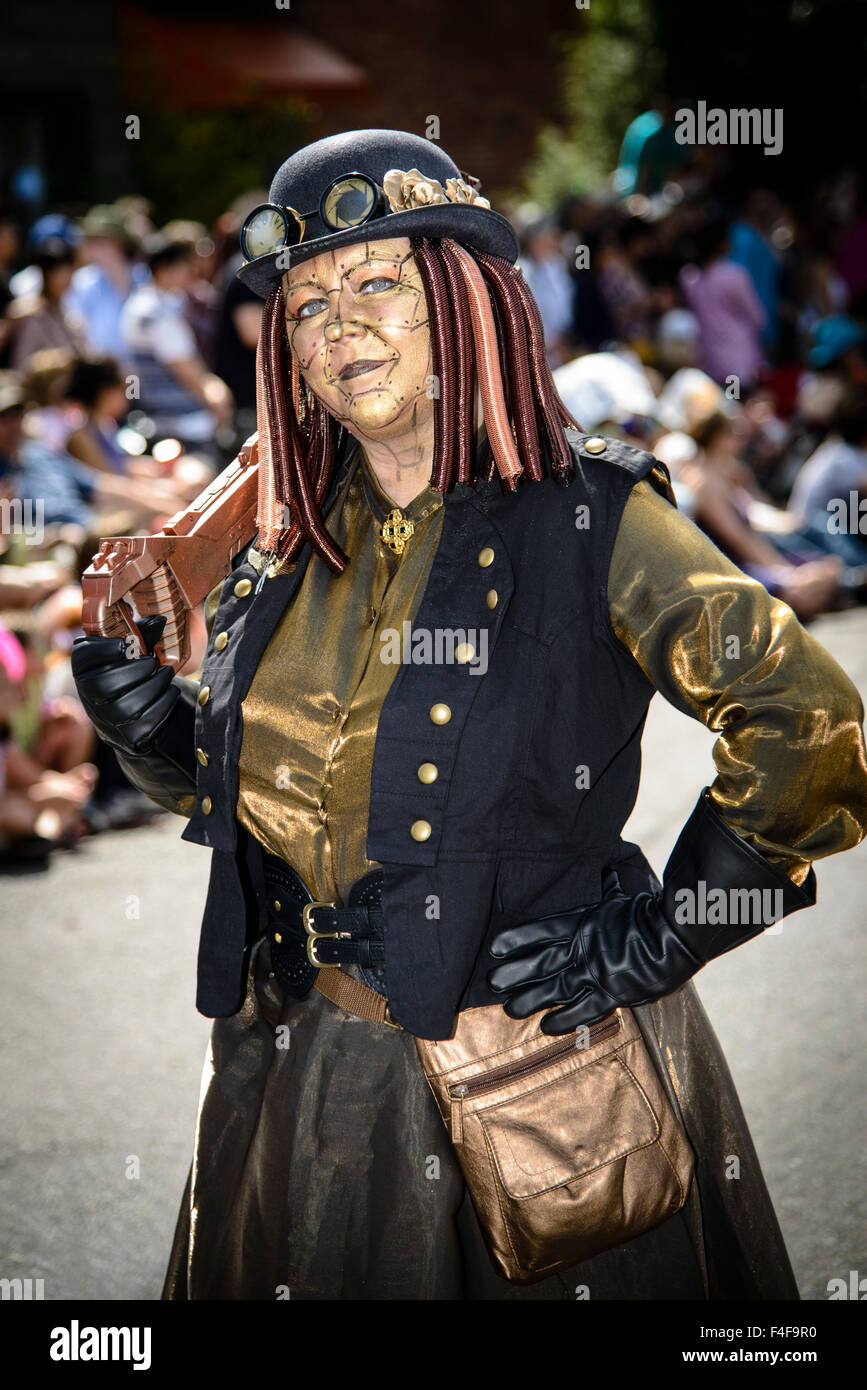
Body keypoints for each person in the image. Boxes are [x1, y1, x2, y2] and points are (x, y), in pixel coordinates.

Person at [71, 128, 867, 1302]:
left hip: (545, 1082)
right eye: (304, 305)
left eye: (378, 282)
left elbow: (811, 723)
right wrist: (156, 734)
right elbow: (271, 796)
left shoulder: (592, 514)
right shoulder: (283, 541)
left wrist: (660, 936)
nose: (338, 328)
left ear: (465, 306)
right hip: (295, 1080)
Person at [120, 232, 233, 456]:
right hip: (184, 429)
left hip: (155, 421)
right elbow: (193, 377)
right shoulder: (158, 314)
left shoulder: (137, 305)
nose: (192, 274)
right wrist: (219, 401)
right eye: (185, 267)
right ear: (164, 269)